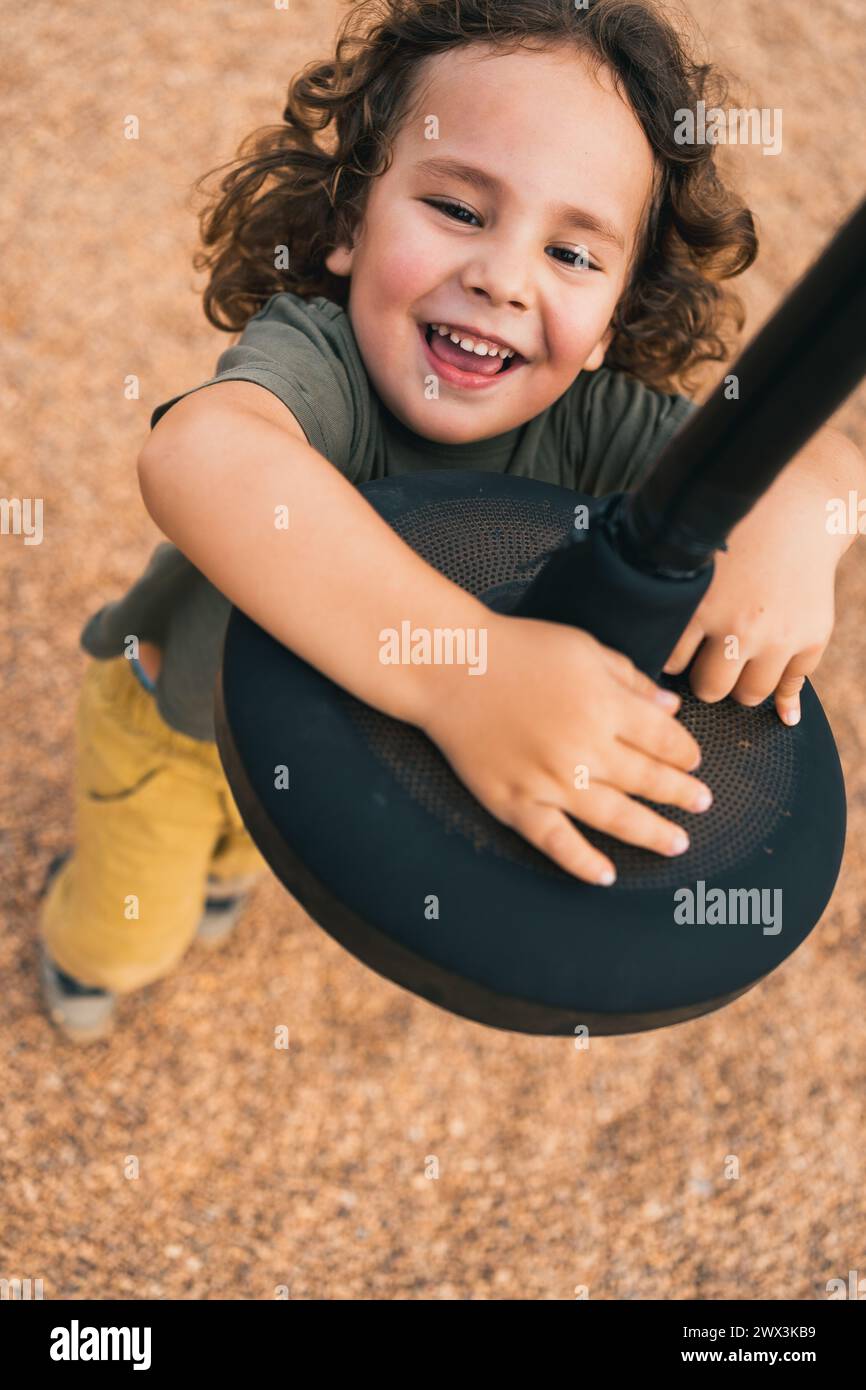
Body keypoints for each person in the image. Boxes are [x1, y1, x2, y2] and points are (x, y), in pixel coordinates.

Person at [37, 0, 864, 1042]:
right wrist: (465, 669)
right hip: (178, 725)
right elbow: (200, 457)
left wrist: (804, 513)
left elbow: (825, 462)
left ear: (612, 319)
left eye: (572, 255)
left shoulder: (597, 423)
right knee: (135, 932)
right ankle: (76, 948)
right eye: (459, 210)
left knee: (265, 842)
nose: (501, 277)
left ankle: (226, 874)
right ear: (347, 224)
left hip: (346, 741)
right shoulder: (323, 363)